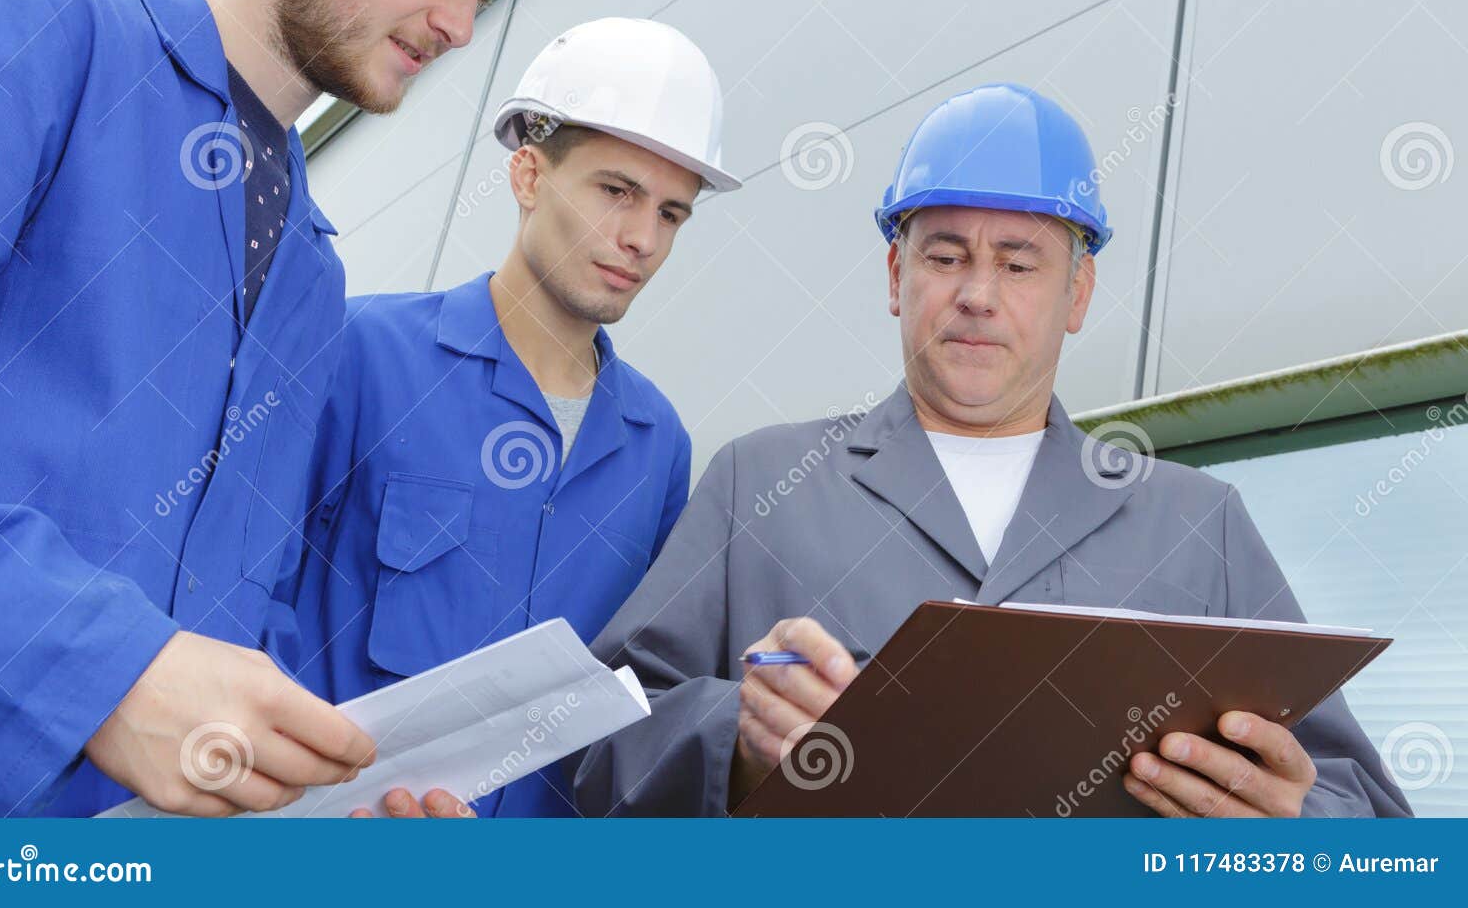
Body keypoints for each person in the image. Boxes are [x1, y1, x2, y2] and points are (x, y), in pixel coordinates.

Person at [0, 0, 579, 817]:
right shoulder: (40, 42)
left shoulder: (310, 273)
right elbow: (136, 665)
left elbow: (232, 624)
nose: (461, 27)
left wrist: (321, 791)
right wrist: (93, 666)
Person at [570, 82, 1412, 818]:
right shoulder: (758, 484)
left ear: (1076, 294)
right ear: (896, 274)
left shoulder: (1201, 524)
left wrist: (1292, 825)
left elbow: (1370, 817)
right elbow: (600, 742)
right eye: (947, 256)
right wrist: (738, 743)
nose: (977, 294)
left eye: (1020, 264)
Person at [292, 18, 741, 817]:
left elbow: (639, 693)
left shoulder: (657, 444)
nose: (641, 239)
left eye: (672, 214)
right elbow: (243, 597)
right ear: (529, 175)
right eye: (616, 191)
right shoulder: (363, 353)